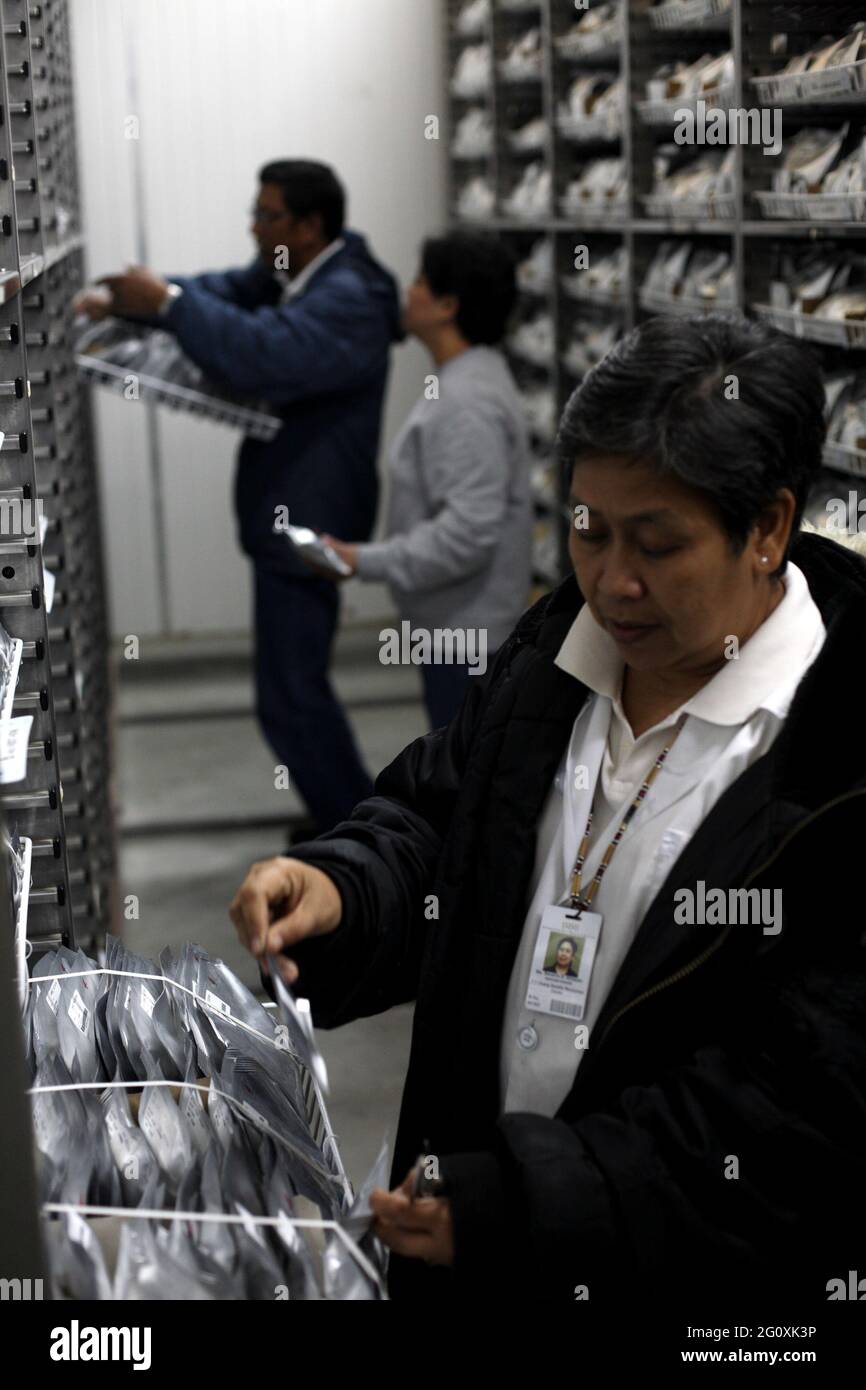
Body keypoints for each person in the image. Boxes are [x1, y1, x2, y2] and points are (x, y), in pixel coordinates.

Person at [229, 313, 866, 1309]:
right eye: (587, 529)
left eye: (656, 544)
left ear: (769, 528)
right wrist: (342, 887)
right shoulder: (554, 656)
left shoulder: (836, 767)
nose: (610, 581)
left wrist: (524, 1203)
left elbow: (797, 1107)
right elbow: (443, 820)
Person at [77, 160, 403, 837]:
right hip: (288, 512)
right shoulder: (296, 269)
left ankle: (364, 840)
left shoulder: (352, 295)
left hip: (313, 517)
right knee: (290, 692)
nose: (254, 228)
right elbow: (228, 291)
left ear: (310, 225)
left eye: (267, 216)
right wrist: (141, 300)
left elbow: (262, 353)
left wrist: (165, 303)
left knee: (291, 697)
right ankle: (342, 824)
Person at [302, 230, 532, 728]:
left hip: (468, 638)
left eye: (421, 282)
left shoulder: (465, 402)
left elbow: (467, 535)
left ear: (448, 305)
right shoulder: (466, 383)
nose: (408, 291)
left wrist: (361, 561)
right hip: (460, 630)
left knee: (464, 787)